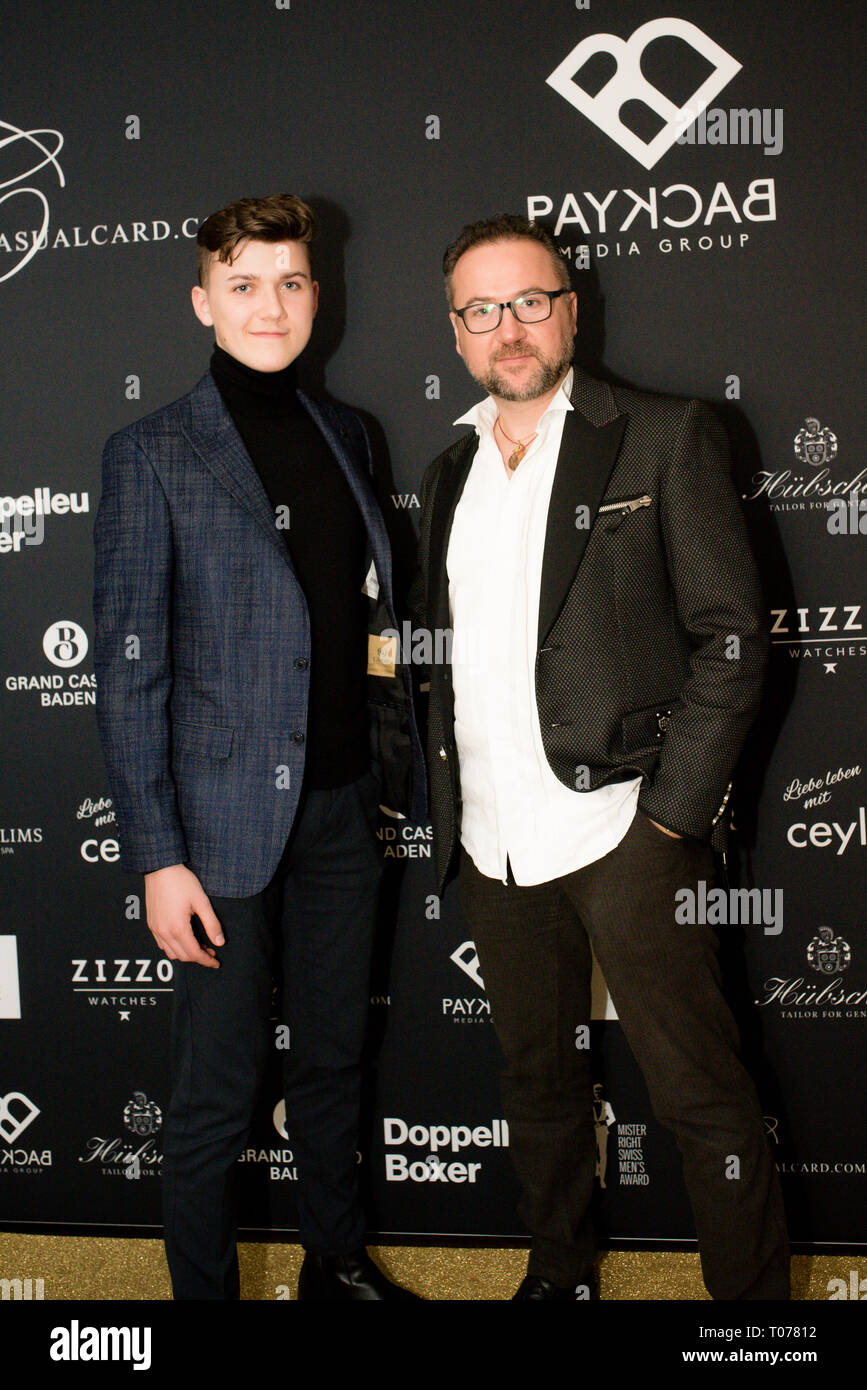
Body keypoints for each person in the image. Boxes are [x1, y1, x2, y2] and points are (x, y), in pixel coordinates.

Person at [412, 213, 789, 1300]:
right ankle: (561, 1273)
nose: (509, 328)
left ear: (570, 310)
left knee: (699, 1092)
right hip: (491, 841)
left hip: (625, 826)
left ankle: (756, 1320)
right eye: (482, 311)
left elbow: (730, 633)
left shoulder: (664, 434)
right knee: (536, 1080)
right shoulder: (448, 471)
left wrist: (672, 814)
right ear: (457, 334)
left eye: (531, 301)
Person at [93, 192, 425, 1301]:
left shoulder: (351, 432)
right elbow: (130, 669)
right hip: (218, 831)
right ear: (202, 302)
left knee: (332, 1062)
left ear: (316, 297)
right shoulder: (149, 453)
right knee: (215, 1093)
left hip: (342, 811)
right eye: (244, 285)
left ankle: (335, 1263)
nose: (269, 304)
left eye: (289, 282)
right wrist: (157, 855)